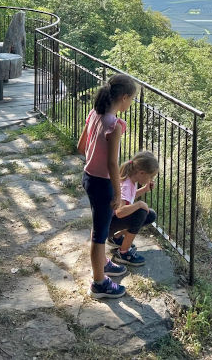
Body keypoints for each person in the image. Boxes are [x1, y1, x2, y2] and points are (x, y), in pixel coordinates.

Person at [79, 73, 138, 299]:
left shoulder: (94, 114)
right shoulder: (114, 125)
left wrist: (94, 157)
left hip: (88, 177)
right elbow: (113, 164)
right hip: (103, 184)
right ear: (124, 98)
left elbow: (81, 146)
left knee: (99, 224)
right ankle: (99, 283)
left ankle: (102, 261)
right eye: (131, 99)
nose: (131, 103)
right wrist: (118, 193)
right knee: (99, 235)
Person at [108, 151, 158, 266]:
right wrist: (139, 204)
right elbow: (120, 212)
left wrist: (144, 189)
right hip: (107, 226)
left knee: (150, 215)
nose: (151, 179)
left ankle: (117, 237)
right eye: (151, 176)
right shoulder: (126, 185)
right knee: (140, 212)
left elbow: (128, 198)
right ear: (141, 173)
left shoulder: (130, 180)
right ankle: (124, 253)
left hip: (110, 223)